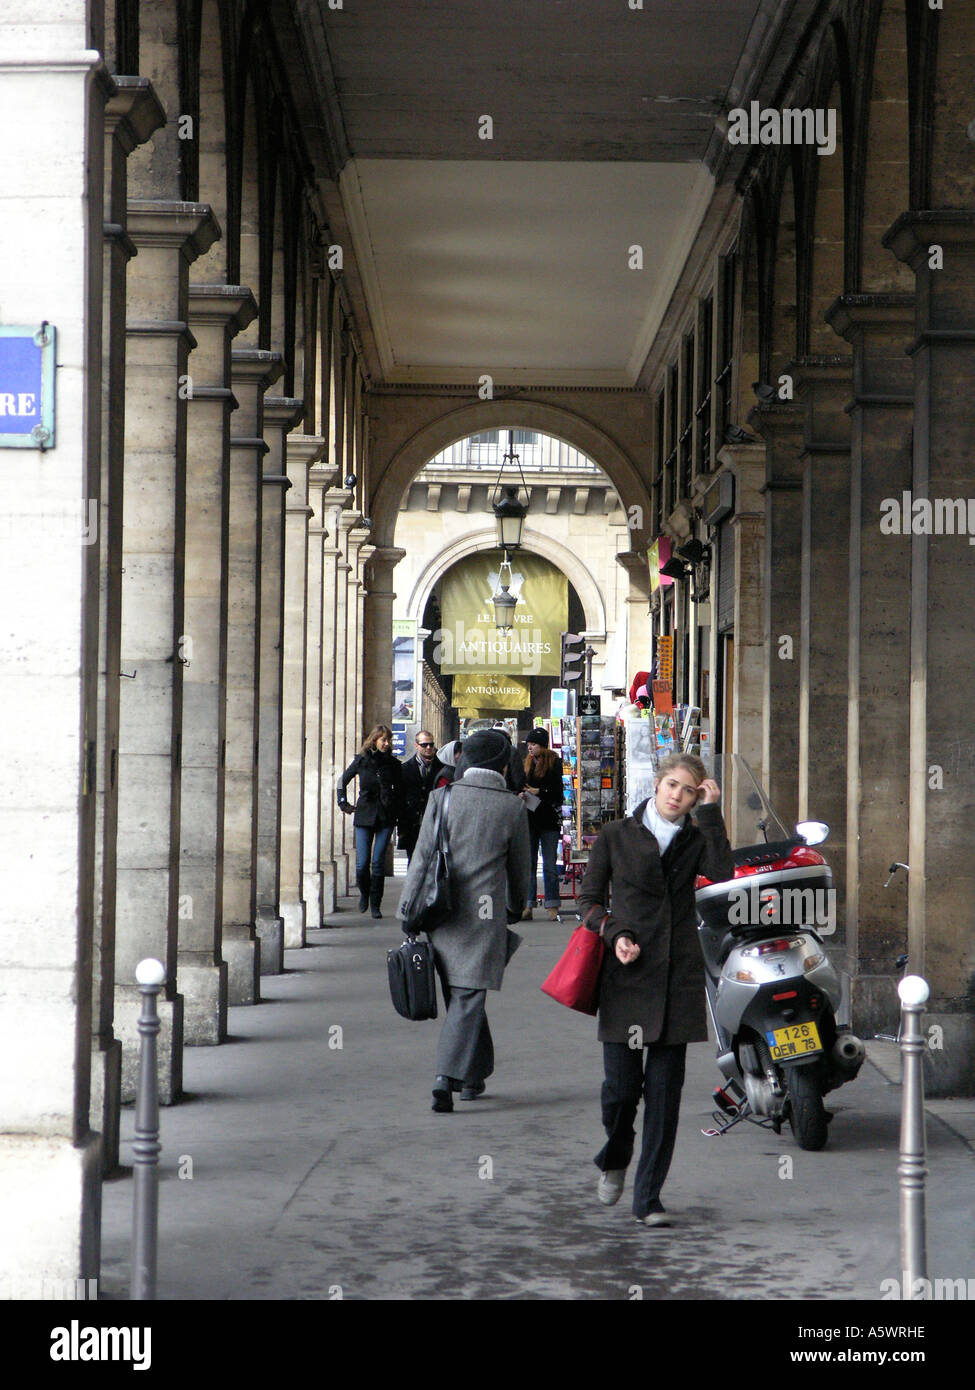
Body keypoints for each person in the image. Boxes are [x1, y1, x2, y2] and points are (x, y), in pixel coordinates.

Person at [576, 752, 733, 1227]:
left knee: (664, 1098)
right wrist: (613, 932)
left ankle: (648, 1198)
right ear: (657, 782)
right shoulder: (616, 835)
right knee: (621, 1093)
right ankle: (617, 1154)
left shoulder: (695, 835)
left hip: (678, 977)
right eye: (672, 785)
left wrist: (711, 812)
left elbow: (723, 874)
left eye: (688, 791)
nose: (677, 796)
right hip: (627, 975)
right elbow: (588, 899)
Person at [399, 729, 530, 1113]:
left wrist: (408, 911)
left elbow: (421, 859)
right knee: (469, 996)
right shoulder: (512, 808)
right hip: (484, 917)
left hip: (440, 912)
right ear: (503, 765)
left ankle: (473, 1075)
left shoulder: (442, 797)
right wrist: (516, 906)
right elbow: (520, 869)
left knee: (465, 995)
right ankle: (446, 1076)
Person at [337, 724, 402, 918]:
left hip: (385, 817)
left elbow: (400, 792)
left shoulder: (393, 764)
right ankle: (364, 893)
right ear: (374, 740)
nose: (386, 743)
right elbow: (342, 781)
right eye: (383, 740)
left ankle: (376, 904)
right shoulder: (362, 761)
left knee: (378, 862)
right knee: (362, 863)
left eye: (388, 740)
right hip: (364, 814)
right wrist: (344, 803)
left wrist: (397, 814)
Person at [521, 727, 564, 920]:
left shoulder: (554, 762)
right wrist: (523, 792)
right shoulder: (527, 763)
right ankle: (527, 904)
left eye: (534, 744)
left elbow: (557, 792)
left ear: (543, 745)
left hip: (548, 820)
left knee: (549, 864)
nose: (530, 748)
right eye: (529, 745)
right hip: (530, 819)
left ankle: (552, 904)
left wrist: (540, 791)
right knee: (528, 864)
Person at [397, 730, 444, 864]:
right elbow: (400, 799)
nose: (428, 747)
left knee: (433, 863)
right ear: (416, 746)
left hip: (435, 823)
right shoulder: (405, 769)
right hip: (413, 824)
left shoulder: (443, 769)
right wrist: (401, 829)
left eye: (431, 744)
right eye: (424, 745)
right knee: (413, 862)